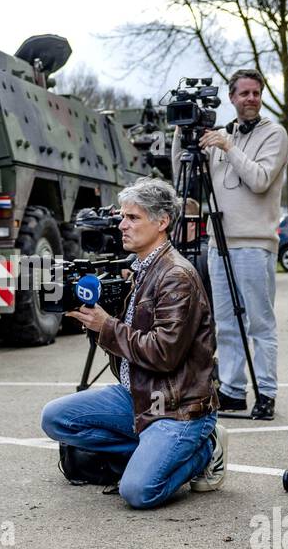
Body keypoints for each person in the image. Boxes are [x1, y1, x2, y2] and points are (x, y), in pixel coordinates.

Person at [40, 177, 225, 509]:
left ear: (162, 222)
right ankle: (151, 453)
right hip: (136, 394)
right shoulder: (138, 269)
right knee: (54, 418)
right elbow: (129, 340)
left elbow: (163, 353)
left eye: (133, 218)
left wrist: (107, 326)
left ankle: (204, 450)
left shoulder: (175, 277)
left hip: (176, 407)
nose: (122, 225)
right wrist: (93, 322)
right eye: (122, 217)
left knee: (138, 492)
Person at [199, 69, 288, 421]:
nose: (251, 98)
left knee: (259, 322)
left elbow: (261, 180)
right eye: (244, 93)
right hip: (217, 242)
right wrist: (182, 133)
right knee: (225, 323)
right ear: (232, 98)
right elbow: (183, 169)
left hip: (254, 243)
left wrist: (229, 147)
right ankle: (233, 391)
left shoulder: (274, 134)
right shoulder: (221, 135)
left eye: (256, 93)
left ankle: (265, 392)